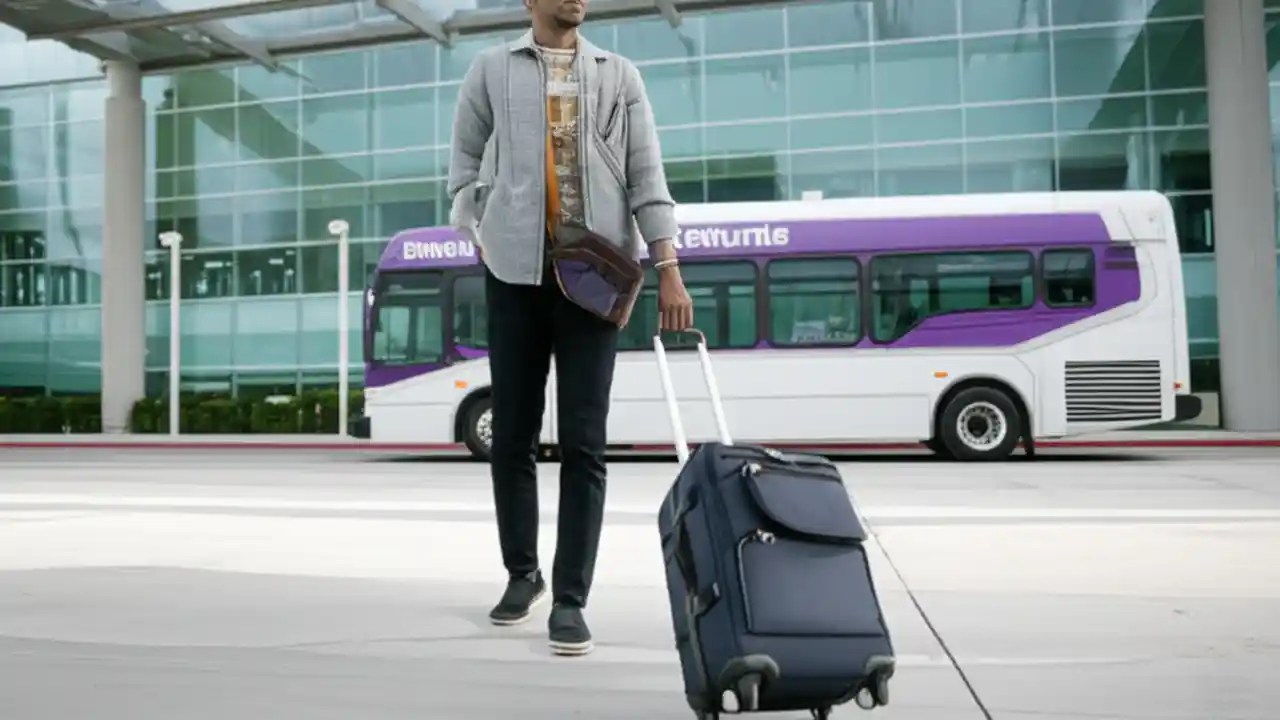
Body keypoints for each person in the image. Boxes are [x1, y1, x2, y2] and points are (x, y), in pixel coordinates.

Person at [446, 0, 694, 656]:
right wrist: (474, 222)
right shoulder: (491, 69)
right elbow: (464, 156)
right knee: (513, 439)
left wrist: (667, 264)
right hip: (514, 274)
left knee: (585, 444)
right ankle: (521, 575)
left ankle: (570, 597)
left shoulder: (620, 75)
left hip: (594, 275)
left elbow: (647, 175)